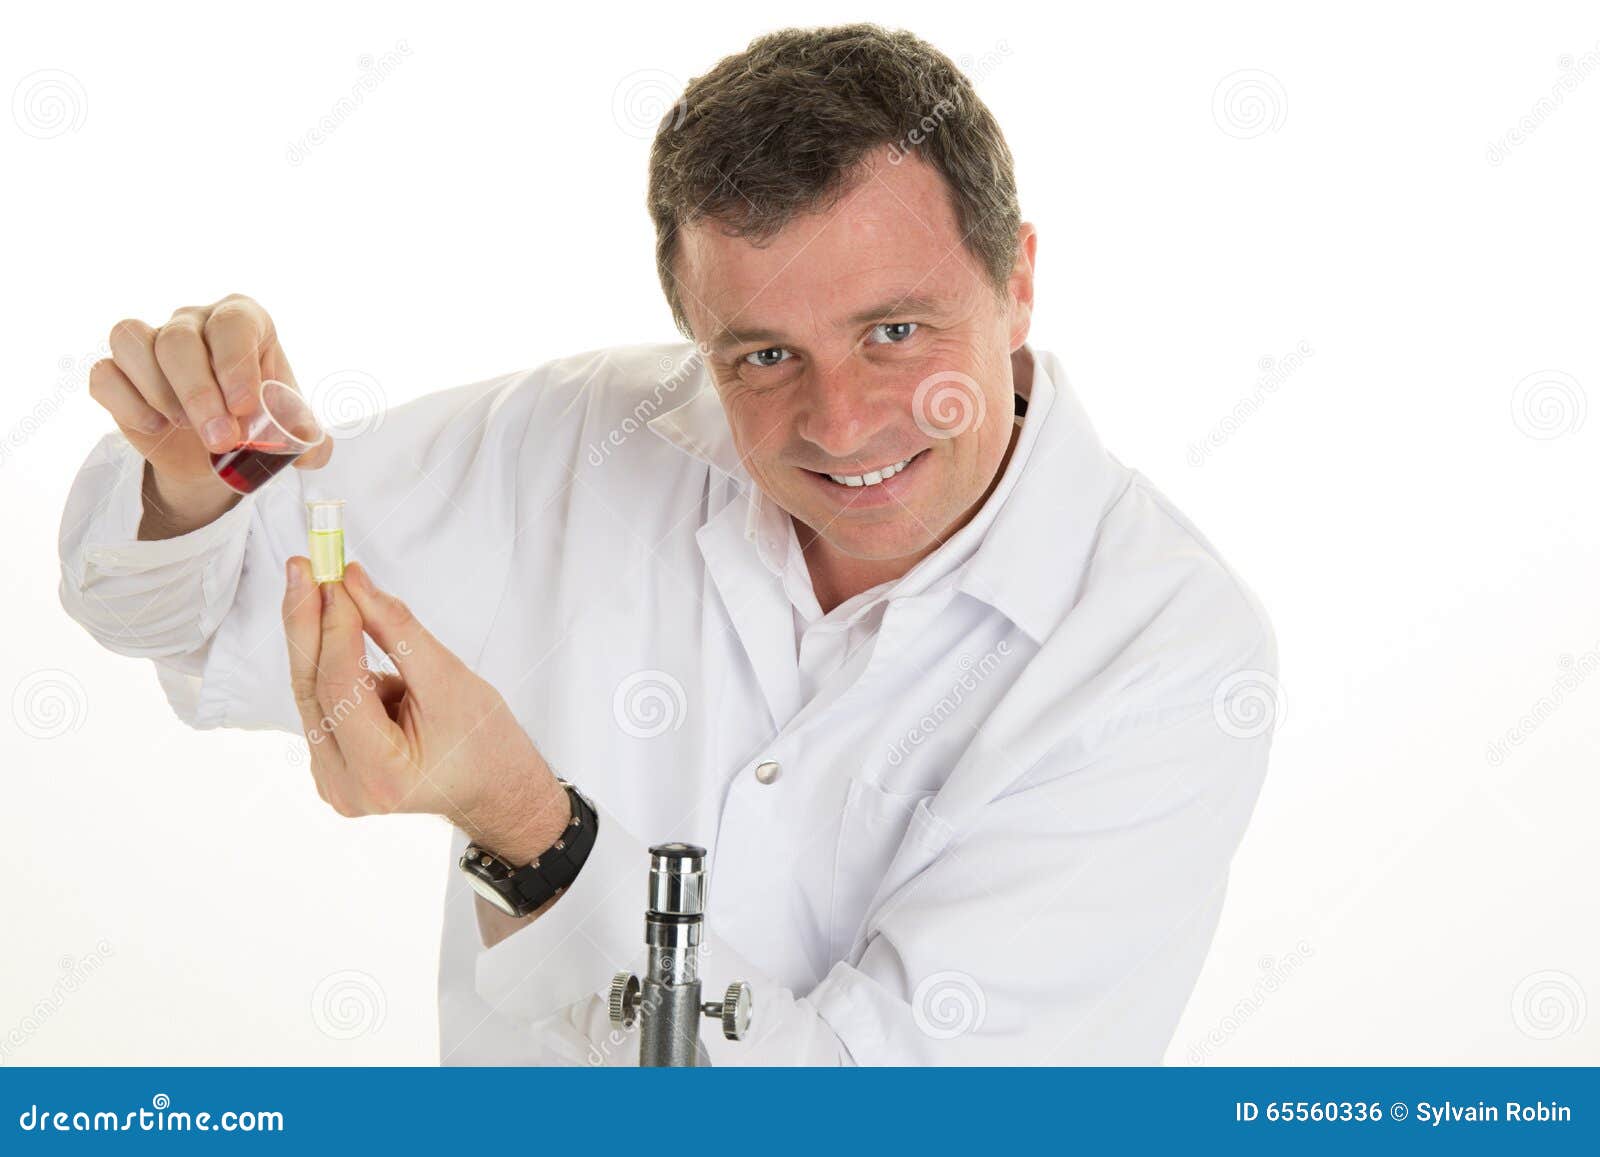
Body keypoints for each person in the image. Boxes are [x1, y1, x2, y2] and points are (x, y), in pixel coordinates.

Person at [57, 23, 1279, 1065]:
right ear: (695, 331)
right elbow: (183, 604)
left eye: (895, 329)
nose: (839, 422)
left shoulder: (1164, 653)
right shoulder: (589, 438)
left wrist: (531, 826)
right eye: (761, 355)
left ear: (1015, 282)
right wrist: (199, 466)